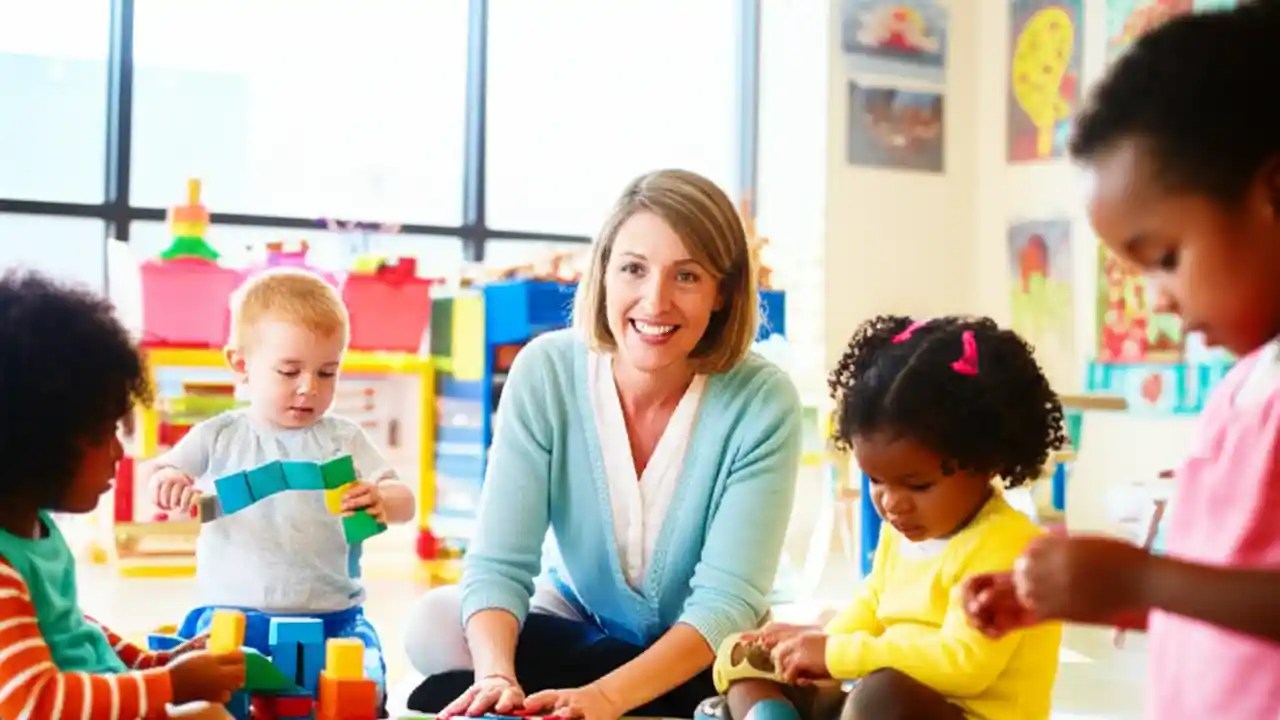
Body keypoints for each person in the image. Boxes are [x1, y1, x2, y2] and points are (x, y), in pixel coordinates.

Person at [962, 4, 1280, 718]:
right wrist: (1087, 596)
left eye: (1165, 258)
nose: (1159, 299)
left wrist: (1145, 583)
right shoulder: (1240, 391)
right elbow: (1224, 600)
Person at [403, 168, 802, 720]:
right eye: (634, 269)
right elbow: (498, 563)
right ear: (605, 274)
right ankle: (672, 701)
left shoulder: (762, 400)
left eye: (686, 276)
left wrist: (605, 697)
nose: (654, 301)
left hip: (712, 640)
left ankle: (641, 690)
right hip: (577, 616)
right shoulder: (546, 371)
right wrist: (495, 676)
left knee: (760, 666)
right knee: (433, 625)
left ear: (723, 293)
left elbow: (724, 605)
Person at [712, 316, 1065, 720]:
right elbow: (873, 603)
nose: (892, 503)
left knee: (882, 696)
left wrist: (836, 653)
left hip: (955, 712)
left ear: (983, 462)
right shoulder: (904, 533)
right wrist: (816, 642)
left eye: (917, 486)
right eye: (875, 480)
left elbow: (964, 665)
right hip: (874, 701)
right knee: (745, 654)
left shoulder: (1009, 547)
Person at [143, 268, 416, 707]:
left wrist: (383, 499)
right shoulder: (220, 435)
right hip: (229, 620)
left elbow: (404, 500)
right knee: (212, 704)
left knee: (358, 696)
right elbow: (162, 470)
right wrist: (170, 481)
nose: (309, 388)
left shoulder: (341, 439)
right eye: (290, 371)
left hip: (332, 620)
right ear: (240, 364)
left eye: (327, 372)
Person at [0, 270, 246, 719]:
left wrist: (154, 664)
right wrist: (169, 683)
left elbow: (71, 629)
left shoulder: (35, 531)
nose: (118, 452)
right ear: (32, 441)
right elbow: (34, 702)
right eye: (101, 434)